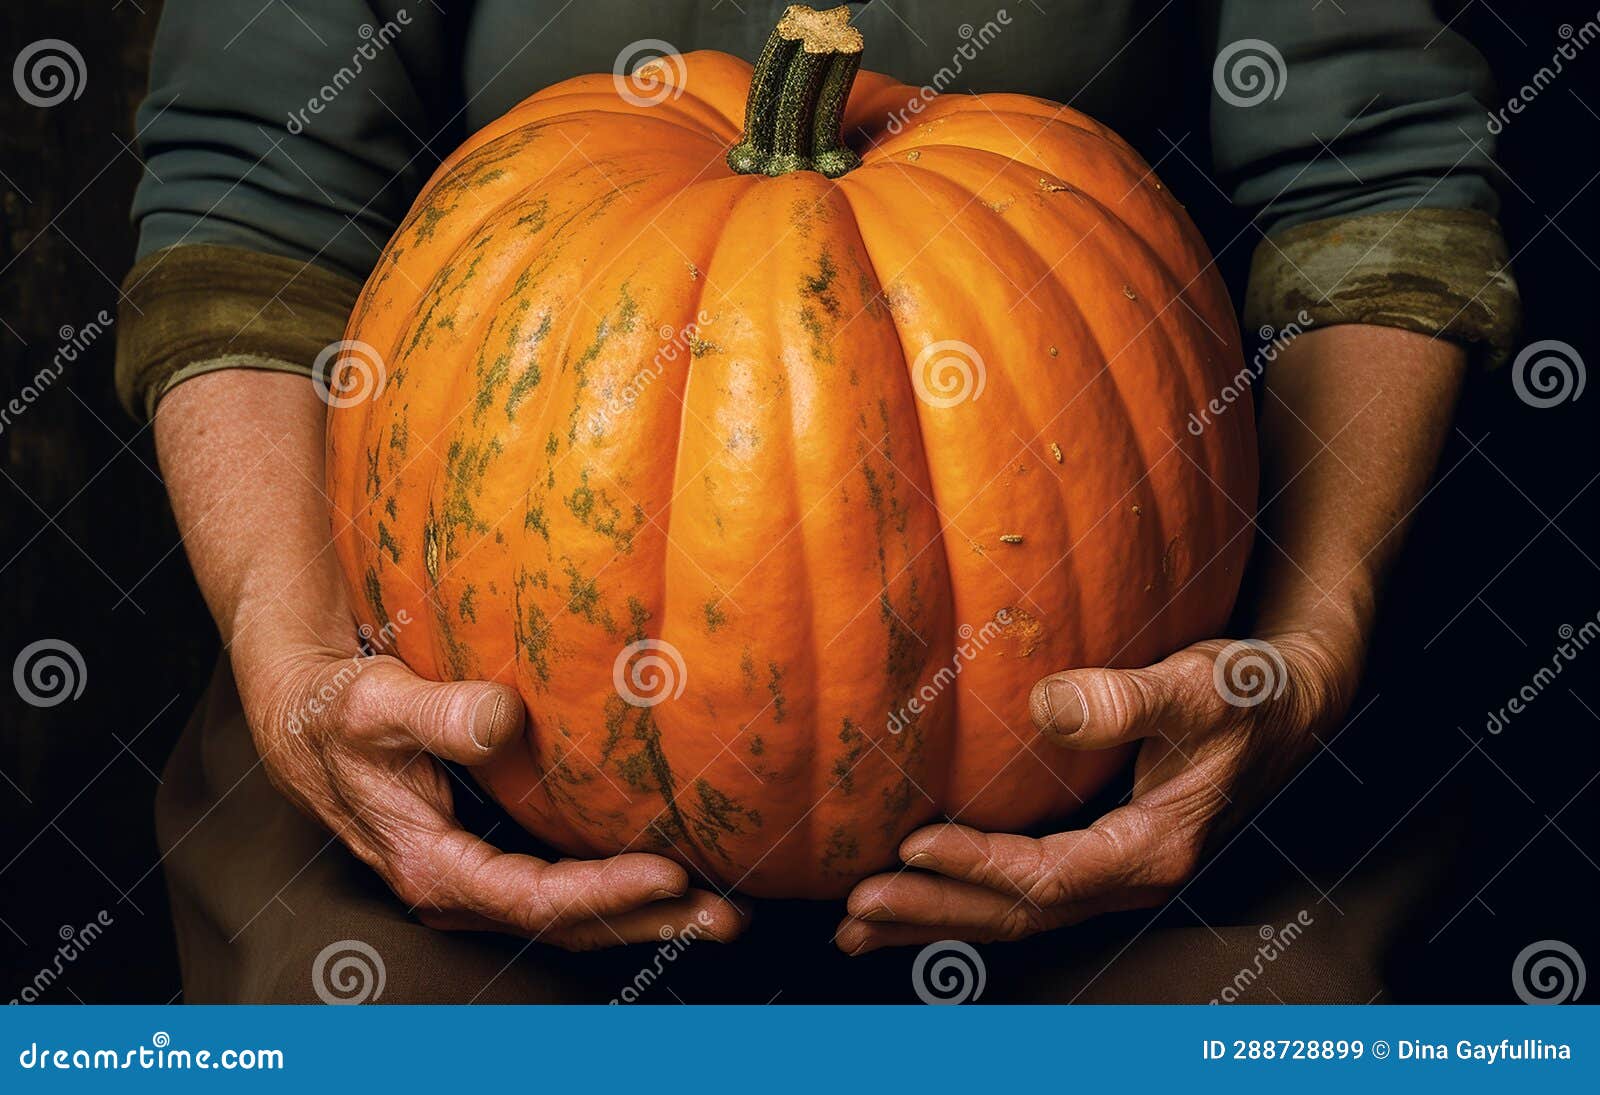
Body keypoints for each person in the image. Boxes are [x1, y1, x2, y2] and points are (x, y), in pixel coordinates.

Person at [116, 0, 1520, 1002]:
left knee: (1285, 1011)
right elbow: (256, 208)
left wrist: (1311, 644)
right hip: (467, 726)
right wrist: (294, 663)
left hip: (1143, 716)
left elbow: (1378, 182)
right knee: (347, 1008)